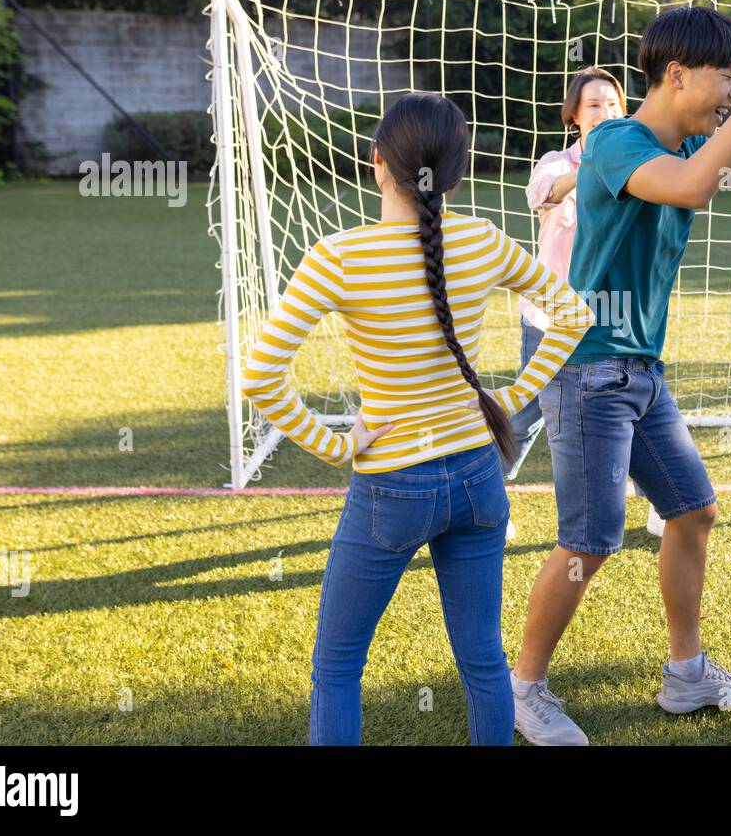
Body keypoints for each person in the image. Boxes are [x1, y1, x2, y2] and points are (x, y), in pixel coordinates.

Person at [510, 0, 731, 745]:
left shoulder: (691, 147)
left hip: (640, 373)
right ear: (675, 75)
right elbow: (695, 187)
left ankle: (686, 674)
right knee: (589, 541)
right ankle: (522, 688)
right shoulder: (615, 143)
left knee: (692, 511)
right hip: (589, 371)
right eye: (724, 76)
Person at [240, 93, 594, 745]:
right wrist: (513, 396)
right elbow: (574, 314)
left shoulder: (339, 257)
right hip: (478, 480)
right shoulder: (482, 240)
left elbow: (260, 374)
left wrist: (336, 444)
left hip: (391, 487)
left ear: (378, 163)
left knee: (338, 665)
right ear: (458, 172)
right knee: (484, 660)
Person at [503, 67, 666, 536]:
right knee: (527, 411)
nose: (606, 112)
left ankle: (662, 501)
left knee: (630, 407)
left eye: (613, 105)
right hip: (550, 319)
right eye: (594, 105)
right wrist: (591, 166)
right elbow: (543, 193)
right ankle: (489, 500)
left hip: (611, 319)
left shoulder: (636, 164)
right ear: (574, 114)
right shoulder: (557, 163)